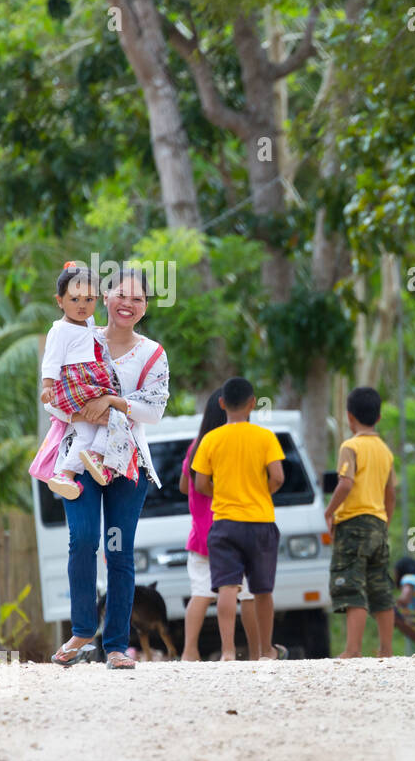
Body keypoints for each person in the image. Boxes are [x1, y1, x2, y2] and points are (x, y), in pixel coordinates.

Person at [48, 267, 170, 670]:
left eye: (137, 299)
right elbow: (50, 397)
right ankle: (83, 631)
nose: (127, 304)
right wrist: (86, 410)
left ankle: (116, 645)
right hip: (80, 460)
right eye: (121, 295)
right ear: (106, 298)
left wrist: (114, 403)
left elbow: (153, 411)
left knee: (118, 552)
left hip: (127, 464)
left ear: (145, 307)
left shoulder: (153, 353)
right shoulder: (80, 336)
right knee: (82, 539)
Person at [191, 377, 286, 661]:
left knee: (227, 587)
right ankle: (266, 650)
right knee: (262, 590)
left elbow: (199, 484)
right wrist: (261, 492)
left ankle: (229, 651)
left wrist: (220, 492)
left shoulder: (211, 439)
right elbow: (278, 477)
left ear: (221, 404)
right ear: (252, 403)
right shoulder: (265, 437)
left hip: (225, 522)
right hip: (260, 521)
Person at [178, 388, 261, 661]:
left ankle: (190, 651)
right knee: (246, 593)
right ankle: (254, 651)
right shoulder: (228, 444)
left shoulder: (196, 446)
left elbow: (184, 485)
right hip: (234, 527)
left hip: (200, 535)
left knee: (200, 593)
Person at [36, 261, 121, 499]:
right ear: (59, 301)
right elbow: (51, 360)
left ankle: (66, 474)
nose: (82, 306)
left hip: (90, 381)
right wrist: (47, 386)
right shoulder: (59, 330)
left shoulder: (88, 323)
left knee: (89, 430)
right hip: (78, 384)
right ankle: (95, 455)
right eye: (74, 300)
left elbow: (91, 335)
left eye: (88, 299)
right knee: (112, 416)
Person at [324, 387, 397, 659]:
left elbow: (345, 482)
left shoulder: (350, 446)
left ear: (349, 417)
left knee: (351, 584)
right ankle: (386, 649)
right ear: (378, 417)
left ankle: (353, 649)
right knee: (380, 584)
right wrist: (384, 522)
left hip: (353, 524)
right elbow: (390, 493)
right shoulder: (385, 451)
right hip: (378, 524)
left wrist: (329, 511)